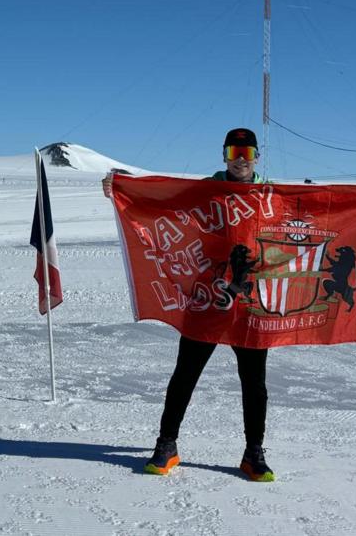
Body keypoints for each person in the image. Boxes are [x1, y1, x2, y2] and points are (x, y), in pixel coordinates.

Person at [102, 127, 276, 482]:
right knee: (186, 373)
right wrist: (120, 188)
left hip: (251, 301)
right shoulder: (203, 192)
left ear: (257, 157)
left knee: (254, 382)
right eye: (233, 152)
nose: (240, 160)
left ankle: (253, 451)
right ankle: (167, 443)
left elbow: (319, 212)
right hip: (207, 297)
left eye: (246, 153)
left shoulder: (270, 195)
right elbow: (161, 202)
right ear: (224, 155)